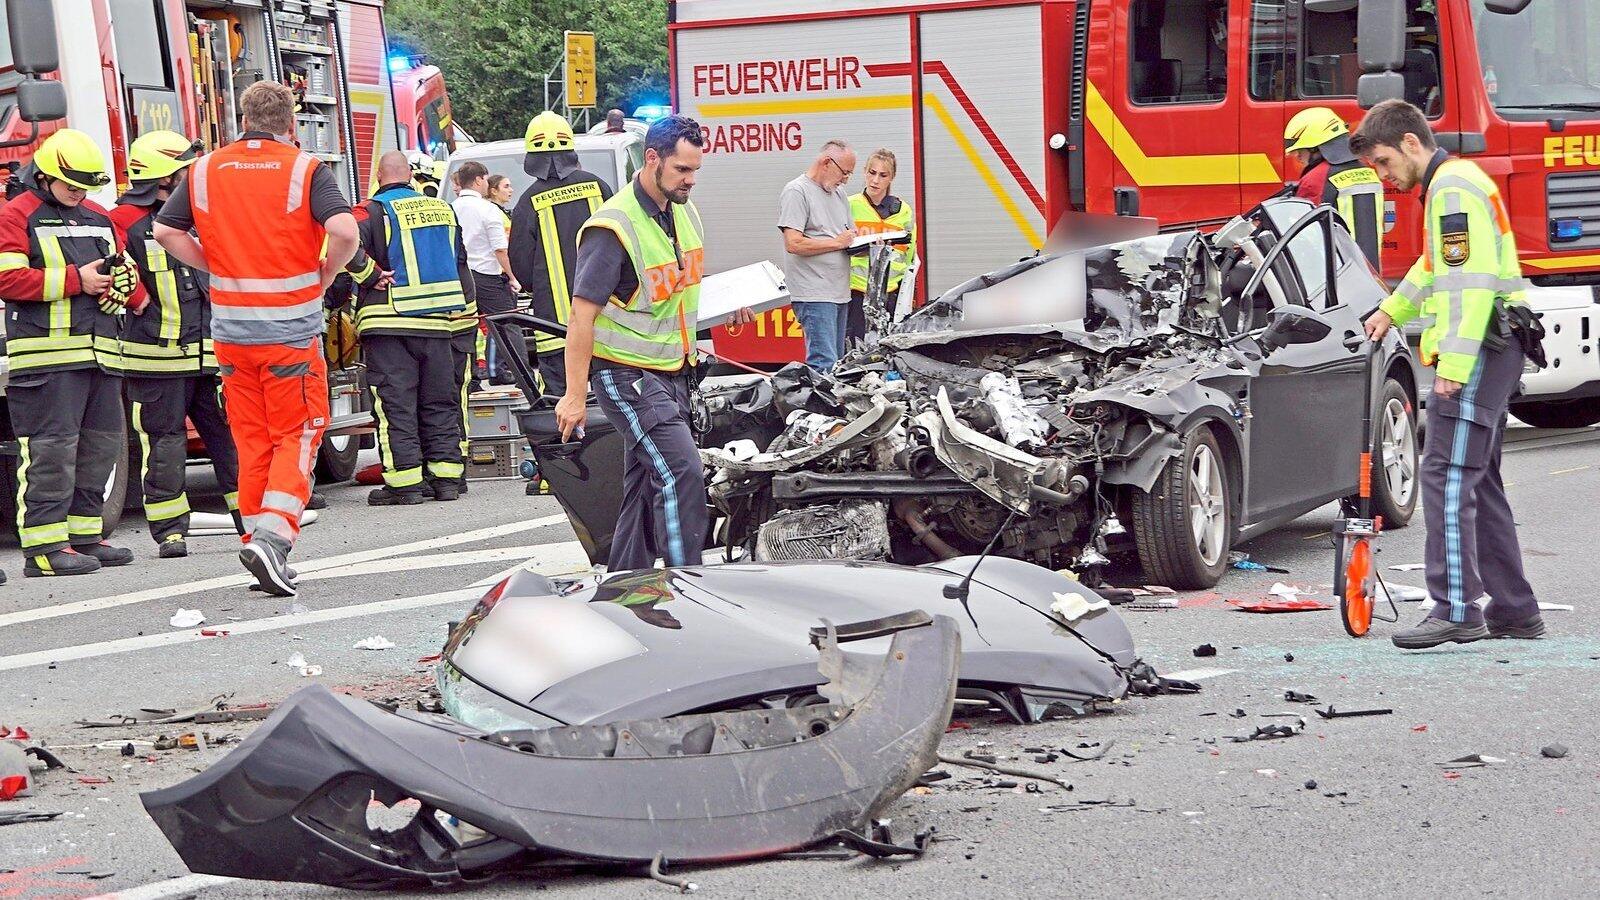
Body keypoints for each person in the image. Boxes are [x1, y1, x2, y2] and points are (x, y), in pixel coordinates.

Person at [154, 80, 359, 597]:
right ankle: (272, 539)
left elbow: (164, 231)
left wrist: (212, 266)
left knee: (253, 441)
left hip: (231, 333)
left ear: (241, 120)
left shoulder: (203, 170)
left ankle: (255, 542)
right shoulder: (304, 169)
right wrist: (326, 275)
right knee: (303, 431)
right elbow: (345, 232)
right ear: (291, 124)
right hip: (289, 330)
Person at [1354, 99, 1543, 649]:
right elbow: (1437, 267)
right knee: (1477, 479)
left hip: (1480, 349)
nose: (1386, 178)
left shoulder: (1452, 191)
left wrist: (1453, 370)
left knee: (1445, 474)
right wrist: (1393, 309)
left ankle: (1456, 607)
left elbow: (1466, 287)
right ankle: (1514, 609)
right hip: (1497, 344)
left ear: (1412, 144)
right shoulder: (1455, 183)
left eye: (1386, 163)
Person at [555, 115, 749, 571]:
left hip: (671, 372)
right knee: (682, 472)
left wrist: (728, 309)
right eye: (683, 170)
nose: (691, 180)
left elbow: (675, 290)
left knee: (645, 484)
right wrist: (574, 395)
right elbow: (581, 316)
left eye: (696, 170)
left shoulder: (682, 211)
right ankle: (691, 589)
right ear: (652, 159)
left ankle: (625, 590)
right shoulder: (614, 226)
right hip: (625, 375)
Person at [0, 128, 139, 578]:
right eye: (71, 186)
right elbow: (7, 280)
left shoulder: (98, 215)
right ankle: (43, 550)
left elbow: (126, 270)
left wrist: (125, 286)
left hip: (101, 354)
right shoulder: (15, 216)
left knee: (101, 449)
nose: (79, 195)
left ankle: (84, 537)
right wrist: (77, 281)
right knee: (50, 453)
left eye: (84, 187)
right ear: (44, 176)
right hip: (46, 360)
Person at [109, 130, 241, 559]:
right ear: (165, 175)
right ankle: (169, 530)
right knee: (164, 443)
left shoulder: (199, 214)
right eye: (184, 168)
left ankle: (249, 519)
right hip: (155, 357)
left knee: (229, 437)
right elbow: (110, 268)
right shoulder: (124, 220)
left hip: (208, 353)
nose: (191, 175)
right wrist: (139, 299)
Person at [343, 151, 475, 505]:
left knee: (395, 403)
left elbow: (343, 244)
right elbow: (462, 265)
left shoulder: (369, 210)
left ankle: (404, 484)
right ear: (412, 176)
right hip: (438, 324)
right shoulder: (443, 210)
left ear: (379, 176)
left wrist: (368, 276)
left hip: (388, 323)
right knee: (439, 402)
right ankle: (447, 479)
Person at [509, 111, 613, 398]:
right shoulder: (598, 187)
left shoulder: (528, 202)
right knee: (614, 398)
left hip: (556, 327)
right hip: (606, 320)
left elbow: (521, 268)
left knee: (562, 399)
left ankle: (572, 445)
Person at [779, 140, 857, 371]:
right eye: (844, 173)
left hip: (839, 292)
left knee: (838, 365)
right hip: (814, 293)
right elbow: (793, 243)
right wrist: (836, 242)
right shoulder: (797, 191)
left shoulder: (839, 194)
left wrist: (862, 243)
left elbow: (846, 236)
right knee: (824, 364)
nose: (845, 179)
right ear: (826, 162)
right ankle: (823, 408)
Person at [452, 160, 525, 386]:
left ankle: (470, 377)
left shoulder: (450, 208)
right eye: (485, 179)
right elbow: (500, 249)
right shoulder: (487, 209)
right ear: (478, 180)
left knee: (466, 327)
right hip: (487, 275)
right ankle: (522, 376)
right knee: (507, 324)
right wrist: (513, 277)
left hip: (460, 276)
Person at [1284, 106, 1384, 269]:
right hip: (1372, 274)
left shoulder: (1315, 179)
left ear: (1315, 147)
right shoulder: (1369, 172)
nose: (1298, 157)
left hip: (1337, 277)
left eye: (1300, 151)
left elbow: (1306, 236)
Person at [847, 147, 917, 344]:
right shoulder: (849, 205)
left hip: (891, 294)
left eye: (883, 175)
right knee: (855, 350)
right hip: (857, 293)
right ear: (864, 172)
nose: (875, 180)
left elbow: (910, 255)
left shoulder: (904, 211)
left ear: (891, 177)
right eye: (872, 173)